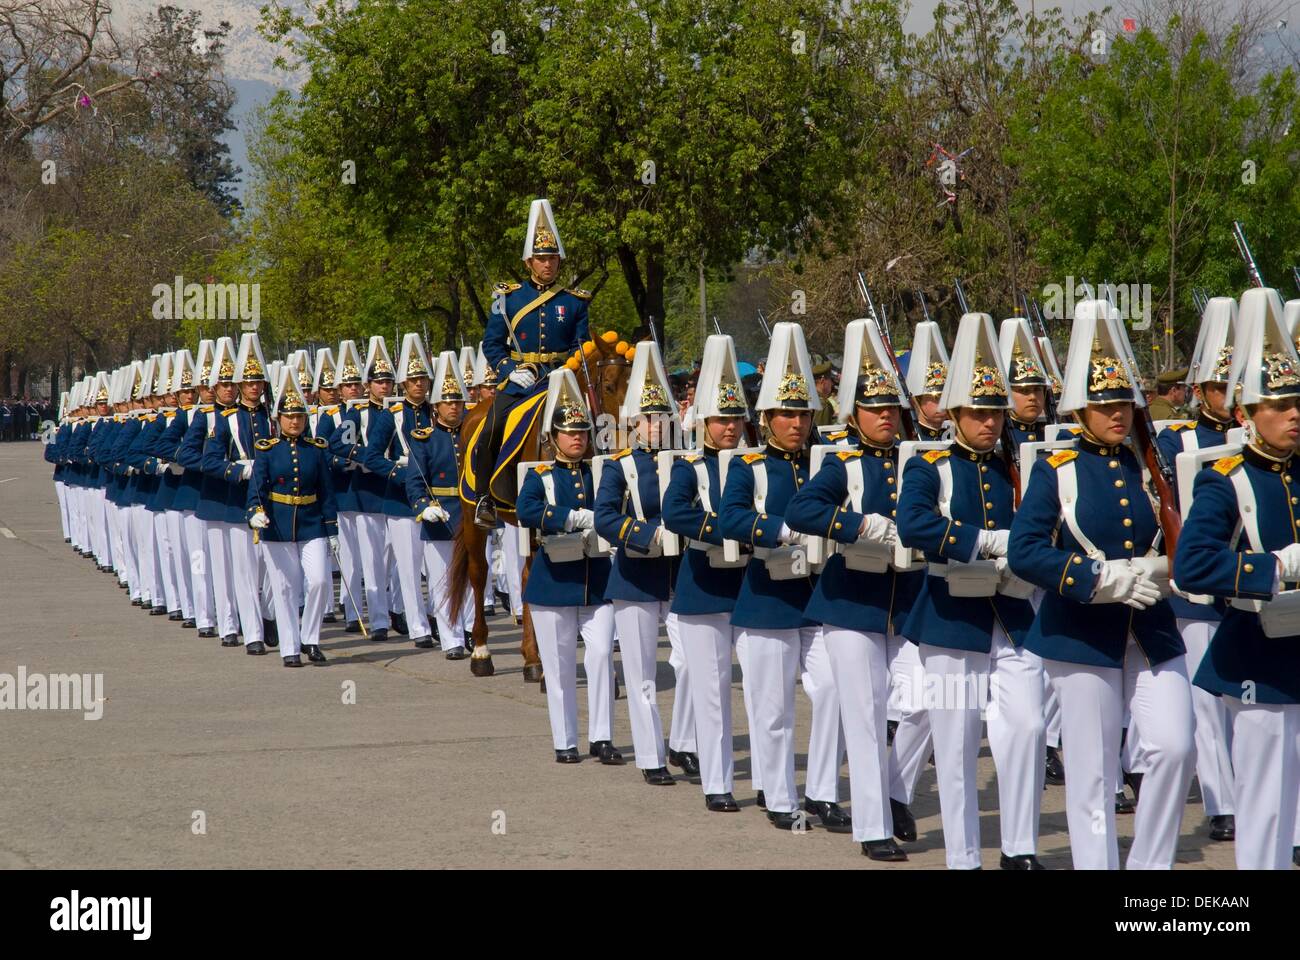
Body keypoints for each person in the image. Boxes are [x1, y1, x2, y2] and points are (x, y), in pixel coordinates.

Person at [1009, 299, 1194, 870]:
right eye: (1104, 403)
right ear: (1081, 408)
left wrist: (1162, 568)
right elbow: (1026, 550)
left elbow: (1178, 532)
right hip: (1080, 631)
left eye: (1123, 401)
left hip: (1150, 624)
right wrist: (1094, 578)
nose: (1116, 412)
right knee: (1091, 774)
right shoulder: (1056, 466)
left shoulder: (1152, 460)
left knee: (1175, 746)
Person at [897, 312, 1045, 870]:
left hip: (1013, 613)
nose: (989, 423)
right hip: (951, 617)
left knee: (1028, 726)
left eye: (995, 414)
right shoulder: (929, 466)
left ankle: (1020, 846)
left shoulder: (1021, 466)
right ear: (955, 414)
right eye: (978, 414)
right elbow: (915, 525)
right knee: (956, 746)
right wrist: (985, 542)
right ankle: (963, 859)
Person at [1175, 286, 1300, 870]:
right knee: (1267, 800)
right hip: (1259, 649)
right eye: (1278, 405)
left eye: (1297, 401)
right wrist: (1274, 567)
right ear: (1248, 414)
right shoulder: (1224, 479)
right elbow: (1194, 564)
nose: (1294, 413)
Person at [785, 318, 917, 861]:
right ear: (854, 414)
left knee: (927, 701)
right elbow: (802, 510)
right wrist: (858, 525)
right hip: (850, 602)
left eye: (891, 408)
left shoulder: (920, 461)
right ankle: (873, 828)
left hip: (910, 600)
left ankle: (892, 789)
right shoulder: (843, 462)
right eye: (874, 408)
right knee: (863, 714)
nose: (886, 416)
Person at [719, 321, 847, 832]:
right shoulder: (749, 465)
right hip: (768, 597)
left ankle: (821, 791)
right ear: (766, 418)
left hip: (818, 596)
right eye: (786, 415)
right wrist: (782, 530)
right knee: (772, 708)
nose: (796, 423)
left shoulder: (826, 463)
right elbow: (731, 517)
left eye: (803, 414)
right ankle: (778, 793)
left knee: (834, 691)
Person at [1154, 296, 1238, 843]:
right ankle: (1221, 802)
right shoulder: (1176, 438)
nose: (1229, 397)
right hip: (1197, 587)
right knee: (1207, 701)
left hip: (1247, 581)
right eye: (1219, 386)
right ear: (1201, 388)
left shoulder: (1256, 437)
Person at [594, 338, 693, 785]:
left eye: (662, 417)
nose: (656, 425)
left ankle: (685, 741)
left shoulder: (688, 461)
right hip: (636, 572)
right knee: (642, 673)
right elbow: (605, 518)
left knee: (691, 662)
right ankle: (652, 757)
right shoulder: (618, 465)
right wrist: (646, 533)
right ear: (632, 423)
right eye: (648, 419)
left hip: (682, 575)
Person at [660, 334, 750, 812]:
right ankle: (718, 783)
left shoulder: (755, 465)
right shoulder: (690, 467)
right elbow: (675, 514)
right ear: (704, 424)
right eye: (721, 420)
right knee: (712, 689)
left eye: (735, 419)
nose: (730, 428)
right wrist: (724, 529)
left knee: (759, 691)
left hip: (753, 586)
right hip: (703, 585)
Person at [516, 368, 620, 763]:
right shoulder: (540, 475)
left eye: (582, 433)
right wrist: (570, 517)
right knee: (559, 668)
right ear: (553, 437)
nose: (578, 438)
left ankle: (603, 737)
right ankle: (565, 741)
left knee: (600, 657)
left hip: (597, 580)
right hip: (554, 582)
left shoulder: (601, 473)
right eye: (570, 433)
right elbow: (527, 510)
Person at [472, 198, 590, 527]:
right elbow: (492, 344)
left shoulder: (574, 301)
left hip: (561, 381)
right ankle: (484, 498)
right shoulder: (507, 298)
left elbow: (582, 347)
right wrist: (510, 371)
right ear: (528, 262)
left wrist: (564, 370)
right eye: (541, 258)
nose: (547, 264)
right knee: (491, 426)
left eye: (552, 257)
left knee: (601, 425)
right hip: (520, 380)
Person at [247, 367, 337, 667]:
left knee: (320, 582)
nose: (295, 421)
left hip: (311, 522)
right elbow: (258, 487)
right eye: (289, 417)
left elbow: (326, 489)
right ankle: (290, 647)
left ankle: (311, 638)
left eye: (299, 416)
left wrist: (331, 527)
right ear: (279, 420)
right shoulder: (268, 450)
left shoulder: (316, 449)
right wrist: (255, 513)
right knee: (285, 588)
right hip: (278, 524)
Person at [203, 333, 278, 655]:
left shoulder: (273, 418)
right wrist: (238, 469)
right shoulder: (225, 420)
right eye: (248, 383)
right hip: (238, 502)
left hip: (272, 501)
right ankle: (251, 632)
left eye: (258, 382)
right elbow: (209, 460)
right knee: (246, 571)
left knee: (272, 569)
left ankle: (270, 617)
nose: (253, 387)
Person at [363, 333, 437, 650]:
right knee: (408, 569)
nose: (419, 384)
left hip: (437, 498)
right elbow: (372, 457)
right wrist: (400, 472)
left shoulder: (437, 413)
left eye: (423, 379)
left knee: (438, 569)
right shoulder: (390, 416)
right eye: (413, 379)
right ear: (403, 383)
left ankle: (439, 618)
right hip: (402, 502)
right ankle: (418, 626)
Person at [331, 336, 402, 642]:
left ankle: (398, 610)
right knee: (372, 558)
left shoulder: (400, 410)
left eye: (388, 381)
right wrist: (367, 458)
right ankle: (378, 619)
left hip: (397, 489)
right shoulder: (356, 413)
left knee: (396, 558)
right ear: (368, 384)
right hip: (367, 491)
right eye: (378, 381)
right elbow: (338, 444)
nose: (384, 386)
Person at [406, 350, 475, 658]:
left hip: (471, 513)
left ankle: (473, 629)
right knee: (442, 579)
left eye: (458, 401)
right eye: (448, 402)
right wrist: (424, 506)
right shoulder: (424, 438)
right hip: (442, 514)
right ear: (435, 407)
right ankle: (452, 639)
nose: (454, 407)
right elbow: (415, 481)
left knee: (474, 576)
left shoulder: (473, 434)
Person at [320, 341, 368, 634]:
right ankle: (352, 612)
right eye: (347, 385)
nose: (352, 389)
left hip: (373, 488)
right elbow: (323, 451)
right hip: (345, 489)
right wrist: (346, 462)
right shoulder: (329, 417)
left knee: (380, 556)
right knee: (351, 555)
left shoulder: (369, 411)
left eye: (355, 384)